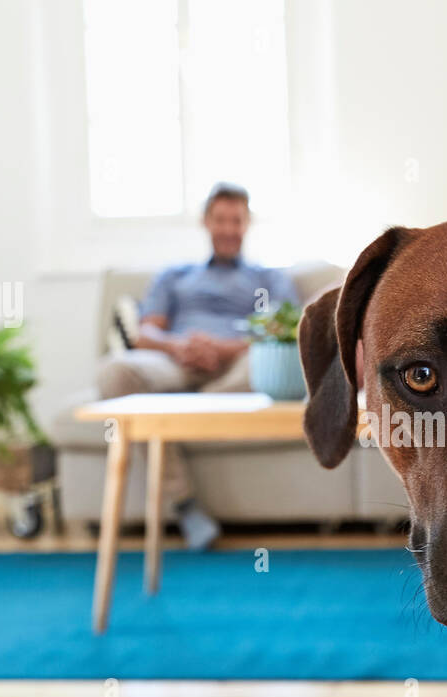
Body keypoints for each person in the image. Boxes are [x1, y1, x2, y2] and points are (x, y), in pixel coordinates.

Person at [96, 182, 297, 549]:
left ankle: (187, 405)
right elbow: (145, 334)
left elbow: (280, 331)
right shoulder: (174, 276)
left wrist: (223, 348)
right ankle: (184, 502)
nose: (228, 229)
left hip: (237, 364)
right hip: (177, 360)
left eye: (236, 220)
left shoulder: (268, 279)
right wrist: (179, 346)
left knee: (268, 365)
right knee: (115, 372)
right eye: (221, 219)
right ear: (206, 222)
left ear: (247, 223)